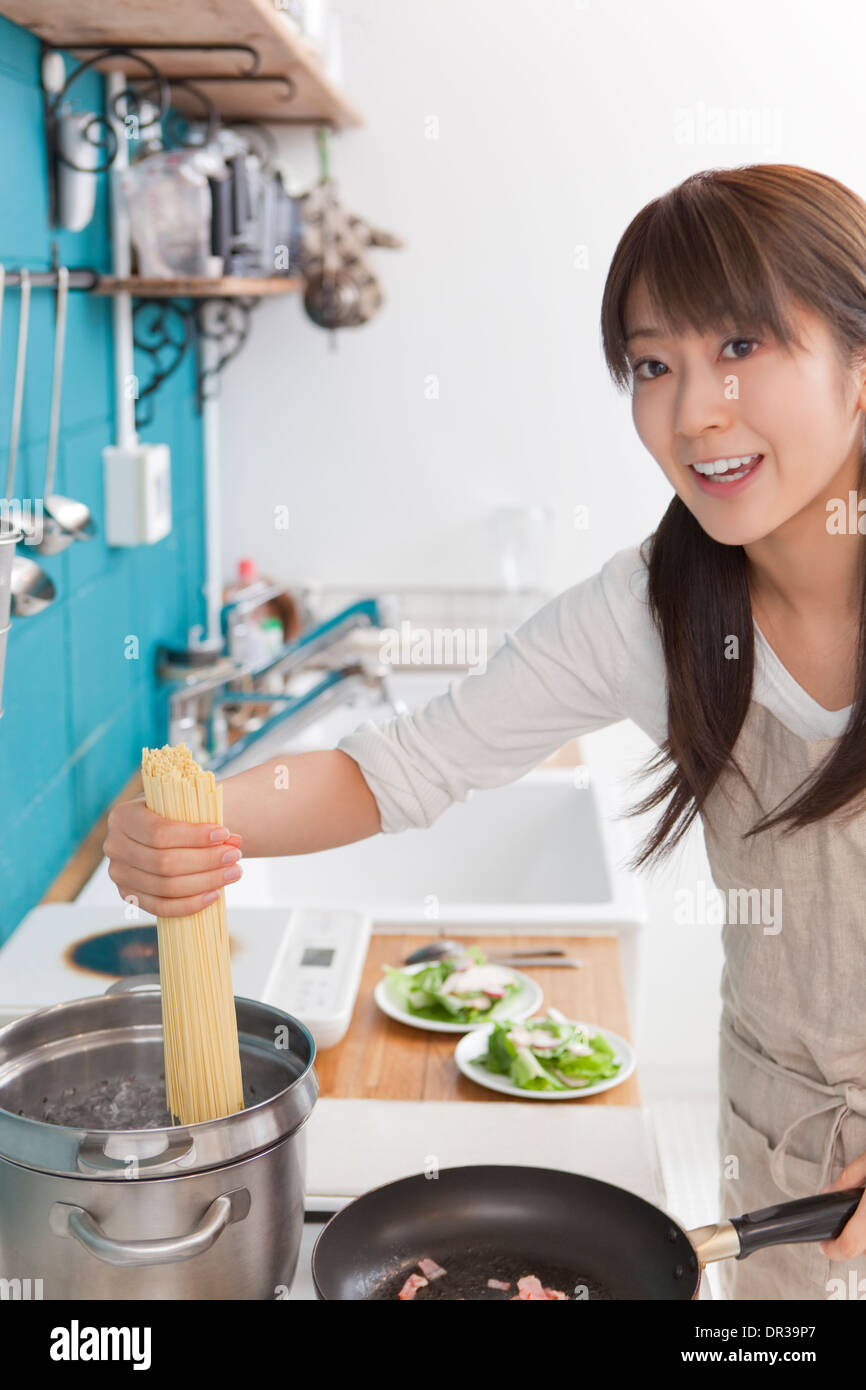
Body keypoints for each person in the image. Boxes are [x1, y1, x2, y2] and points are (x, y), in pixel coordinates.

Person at [104, 163, 866, 1300]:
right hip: (780, 1154)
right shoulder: (652, 605)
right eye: (653, 363)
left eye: (743, 346)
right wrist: (187, 814)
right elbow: (404, 766)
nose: (694, 408)